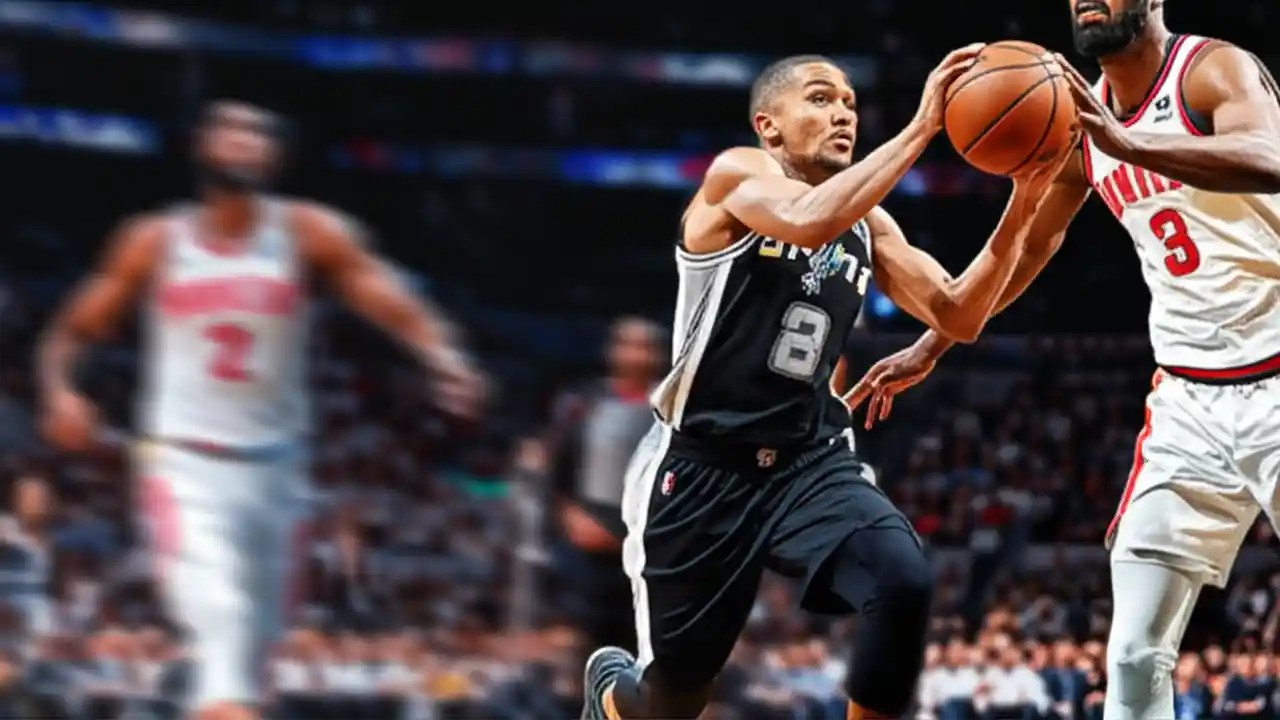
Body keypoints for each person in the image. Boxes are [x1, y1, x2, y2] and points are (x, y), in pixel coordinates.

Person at [579, 48, 1069, 720]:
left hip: (809, 458)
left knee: (902, 581)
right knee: (671, 702)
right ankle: (612, 688)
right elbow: (811, 220)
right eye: (819, 98)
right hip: (701, 467)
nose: (842, 112)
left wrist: (1023, 198)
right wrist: (924, 127)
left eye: (849, 104)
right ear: (768, 125)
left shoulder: (869, 224)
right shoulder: (736, 175)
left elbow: (959, 310)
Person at [847, 2, 1280, 719]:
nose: (1088, 1)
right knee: (1135, 651)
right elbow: (1033, 245)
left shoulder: (1210, 69)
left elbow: (1270, 158)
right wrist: (933, 343)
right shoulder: (1077, 114)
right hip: (1189, 403)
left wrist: (1132, 145)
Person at [35, 100, 483, 720]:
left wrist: (444, 357)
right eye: (231, 129)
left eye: (260, 132)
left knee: (247, 671)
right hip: (183, 463)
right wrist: (60, 387)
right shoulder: (155, 240)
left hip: (279, 472)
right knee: (221, 624)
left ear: (278, 154)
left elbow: (391, 301)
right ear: (201, 145)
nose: (245, 141)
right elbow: (74, 329)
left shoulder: (307, 233)